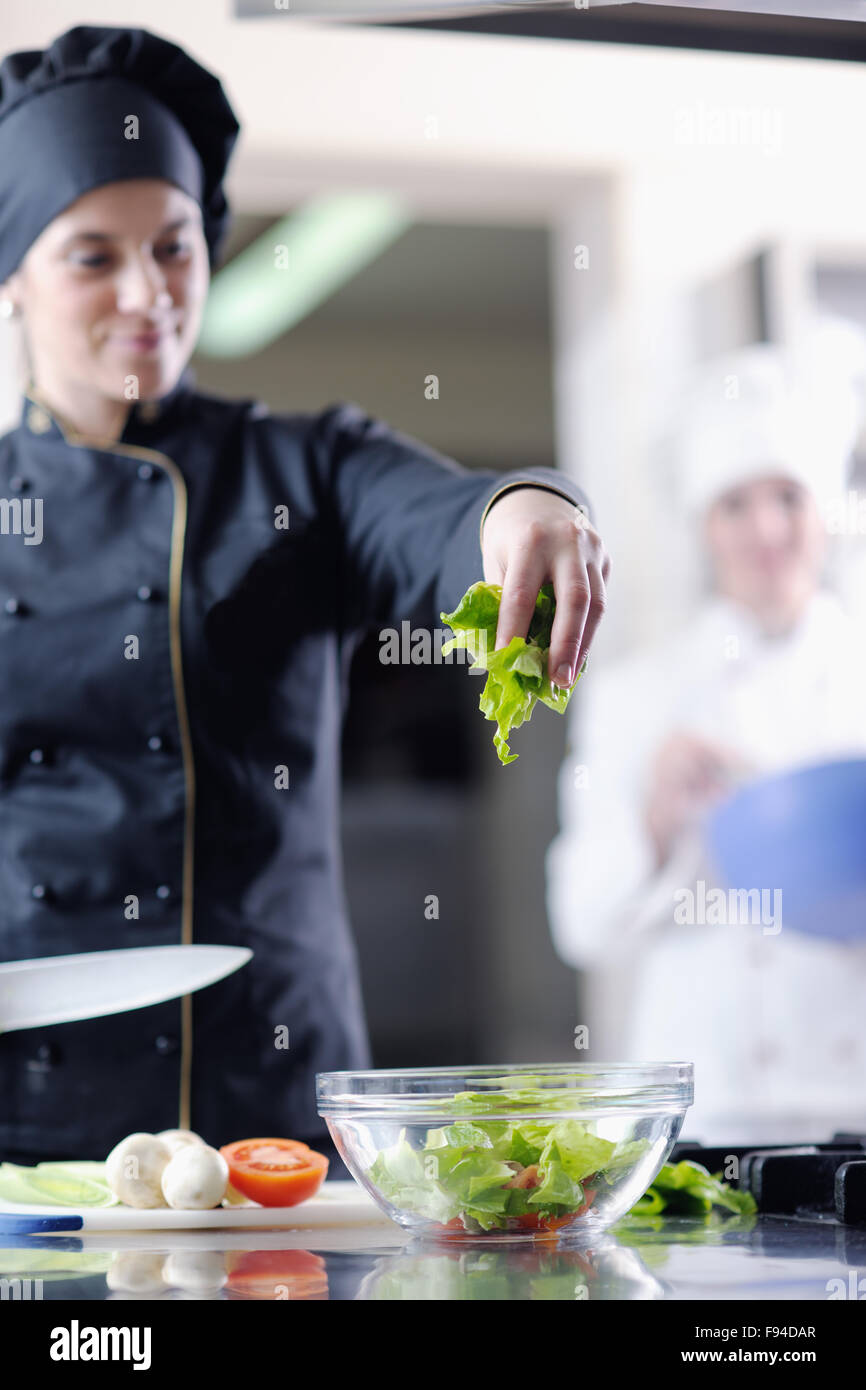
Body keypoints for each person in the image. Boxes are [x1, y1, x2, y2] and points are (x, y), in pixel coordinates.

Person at [0, 25, 609, 1166]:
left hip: (267, 1106)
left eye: (176, 247)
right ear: (13, 278)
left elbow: (437, 519)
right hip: (26, 1140)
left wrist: (523, 511)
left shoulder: (303, 470)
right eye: (94, 255)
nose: (149, 293)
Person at [546, 340, 866, 1144]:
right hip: (706, 1107)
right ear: (704, 525)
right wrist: (654, 818)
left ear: (824, 512)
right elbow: (579, 926)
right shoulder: (635, 695)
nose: (766, 529)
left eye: (789, 497)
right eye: (735, 505)